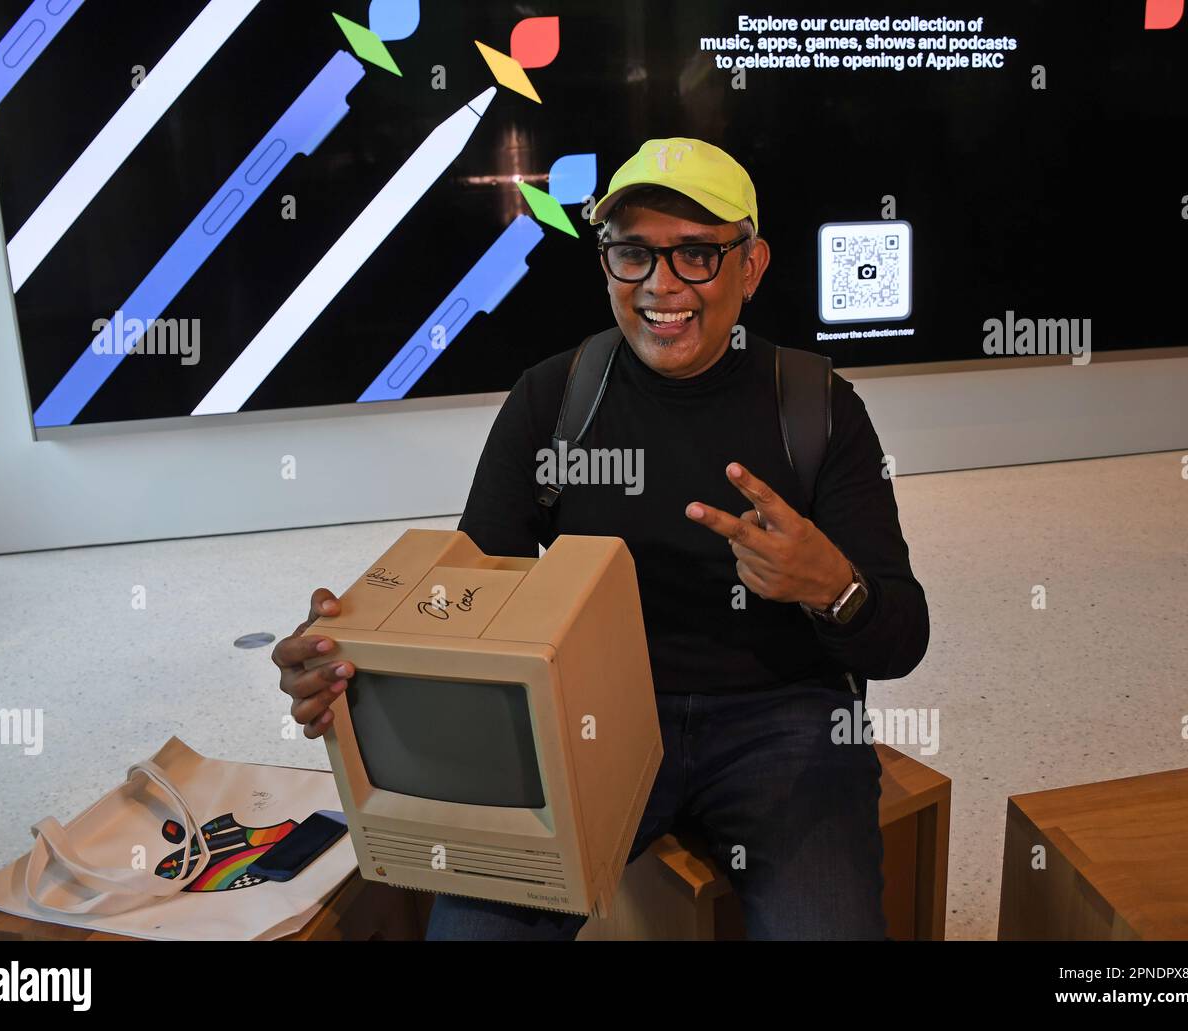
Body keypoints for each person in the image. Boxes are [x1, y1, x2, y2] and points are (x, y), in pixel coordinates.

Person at [275, 138, 930, 940]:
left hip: (786, 718)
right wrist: (365, 648)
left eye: (697, 254)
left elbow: (901, 636)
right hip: (586, 707)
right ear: (606, 263)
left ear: (751, 267)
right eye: (633, 253)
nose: (661, 285)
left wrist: (832, 585)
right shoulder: (555, 398)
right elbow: (473, 592)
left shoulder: (818, 407)